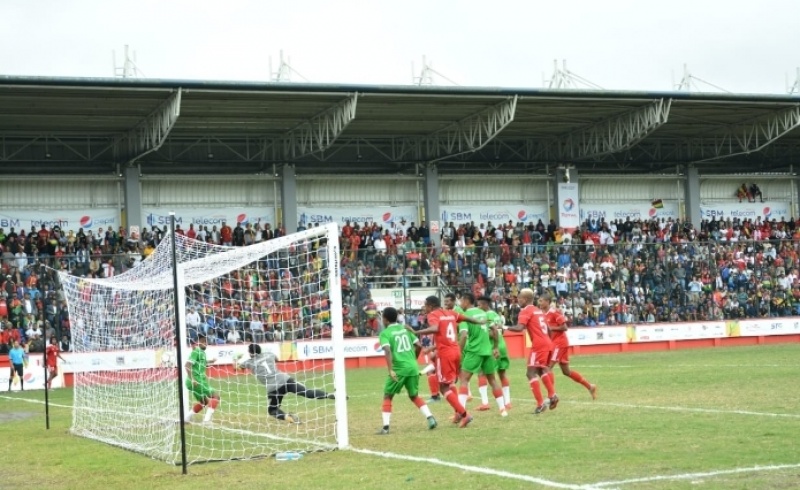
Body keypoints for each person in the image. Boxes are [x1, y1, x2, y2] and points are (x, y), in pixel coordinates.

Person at [412, 295, 475, 428]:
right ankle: (458, 412)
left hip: (445, 354)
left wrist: (417, 331)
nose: (425, 308)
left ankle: (464, 414)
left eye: (425, 305)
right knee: (449, 383)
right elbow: (466, 319)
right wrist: (480, 321)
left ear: (430, 305)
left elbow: (435, 328)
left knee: (443, 386)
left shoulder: (433, 315)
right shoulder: (450, 313)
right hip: (455, 351)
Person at [236, 343, 336, 424]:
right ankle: (328, 395)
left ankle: (288, 417)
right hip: (285, 379)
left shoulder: (249, 363)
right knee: (307, 391)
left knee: (272, 410)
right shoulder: (269, 354)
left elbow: (237, 368)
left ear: (250, 353)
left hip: (273, 388)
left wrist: (235, 359)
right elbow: (277, 359)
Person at [377, 306, 437, 435]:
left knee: (388, 395)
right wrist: (413, 360)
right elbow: (419, 346)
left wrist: (390, 370)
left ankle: (386, 428)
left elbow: (387, 350)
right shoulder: (405, 329)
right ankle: (430, 417)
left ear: (385, 320)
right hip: (413, 367)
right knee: (414, 395)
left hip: (399, 369)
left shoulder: (385, 334)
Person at [507, 288, 557, 414]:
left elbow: (519, 328)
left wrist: (504, 328)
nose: (518, 300)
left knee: (530, 373)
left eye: (520, 298)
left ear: (526, 299)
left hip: (539, 344)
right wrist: (546, 341)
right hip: (546, 342)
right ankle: (551, 396)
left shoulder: (526, 311)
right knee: (541, 369)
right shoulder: (538, 311)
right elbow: (549, 330)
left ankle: (543, 402)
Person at [457, 293, 507, 417]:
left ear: (466, 300)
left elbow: (463, 335)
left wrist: (458, 353)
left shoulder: (464, 316)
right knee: (493, 380)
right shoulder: (484, 313)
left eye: (460, 301)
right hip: (487, 351)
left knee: (464, 379)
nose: (459, 303)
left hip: (474, 351)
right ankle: (503, 409)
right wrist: (495, 347)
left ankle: (460, 412)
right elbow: (494, 330)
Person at [541, 294, 597, 405]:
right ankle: (590, 386)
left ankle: (552, 396)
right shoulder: (542, 314)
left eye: (541, 301)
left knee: (547, 368)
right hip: (554, 344)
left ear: (547, 302)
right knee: (566, 372)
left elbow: (564, 327)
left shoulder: (554, 312)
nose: (539, 303)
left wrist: (551, 328)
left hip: (559, 344)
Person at [477, 296, 512, 409]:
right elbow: (500, 330)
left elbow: (493, 333)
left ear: (486, 304)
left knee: (482, 372)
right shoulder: (496, 315)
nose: (478, 307)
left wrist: (479, 335)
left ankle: (485, 403)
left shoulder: (487, 316)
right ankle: (507, 402)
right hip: (502, 345)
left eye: (480, 305)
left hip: (492, 347)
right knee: (502, 373)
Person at [184, 334, 220, 424]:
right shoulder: (196, 351)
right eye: (204, 342)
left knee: (204, 402)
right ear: (199, 342)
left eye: (206, 342)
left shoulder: (202, 353)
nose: (206, 344)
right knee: (216, 396)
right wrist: (192, 379)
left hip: (196, 381)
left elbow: (202, 363)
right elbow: (187, 365)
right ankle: (206, 421)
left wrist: (211, 361)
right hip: (196, 380)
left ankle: (186, 419)